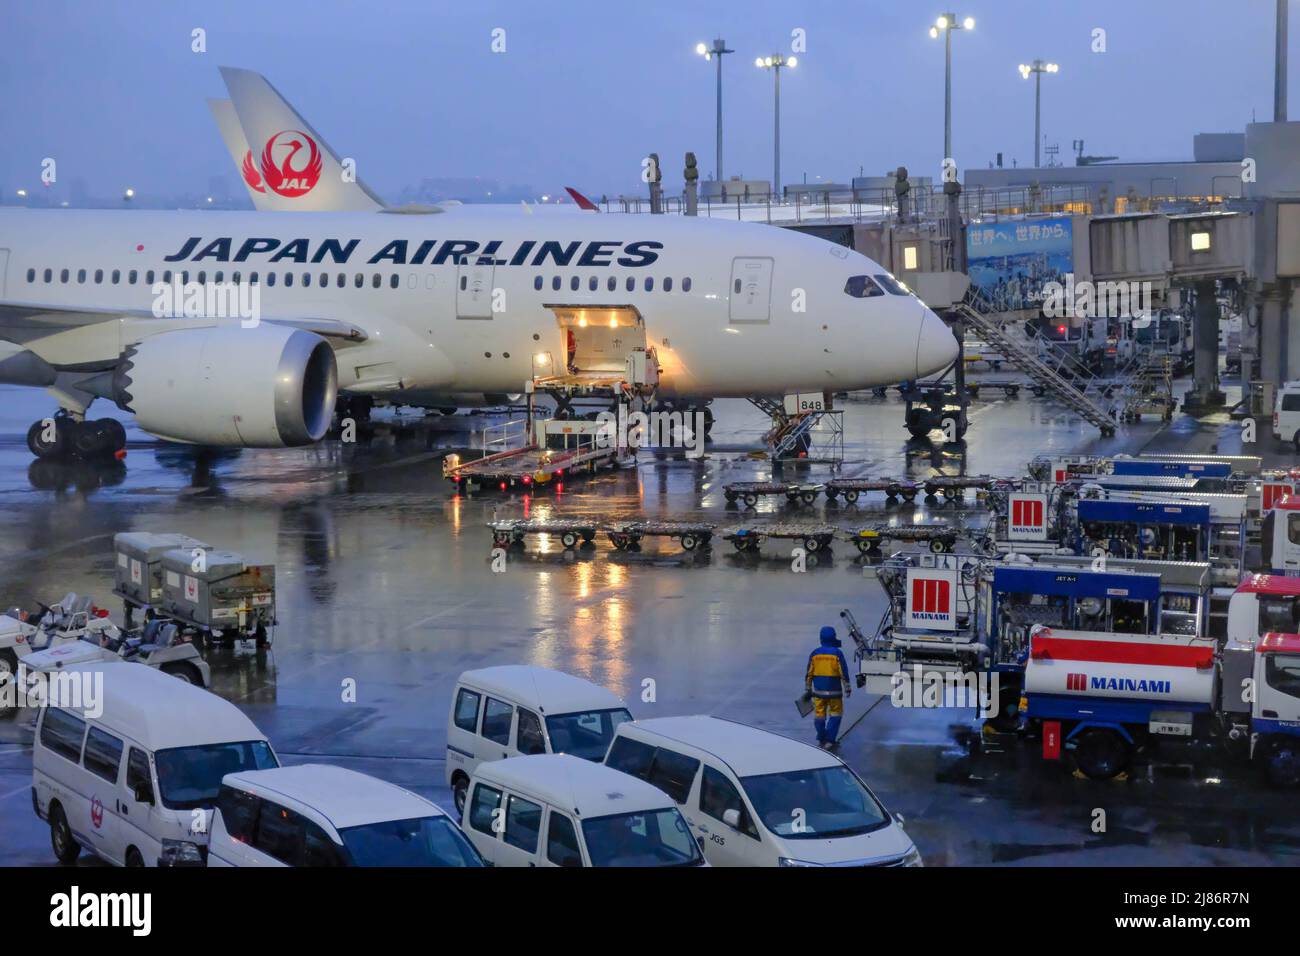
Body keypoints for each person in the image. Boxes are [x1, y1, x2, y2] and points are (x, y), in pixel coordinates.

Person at [805, 626, 851, 749]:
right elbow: (843, 671)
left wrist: (808, 687)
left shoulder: (815, 654)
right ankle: (830, 740)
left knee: (819, 715)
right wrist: (847, 686)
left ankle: (821, 737)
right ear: (833, 638)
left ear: (821, 639)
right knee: (836, 714)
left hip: (819, 692)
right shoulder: (837, 653)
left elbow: (809, 672)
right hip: (835, 692)